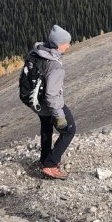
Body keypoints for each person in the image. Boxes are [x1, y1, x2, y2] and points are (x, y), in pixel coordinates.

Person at [34, 24, 76, 180]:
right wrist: (59, 117)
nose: (69, 46)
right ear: (59, 44)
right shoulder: (55, 66)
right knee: (69, 130)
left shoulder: (40, 52)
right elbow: (52, 95)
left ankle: (44, 159)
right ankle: (50, 165)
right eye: (66, 43)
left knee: (46, 127)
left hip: (38, 102)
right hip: (50, 103)